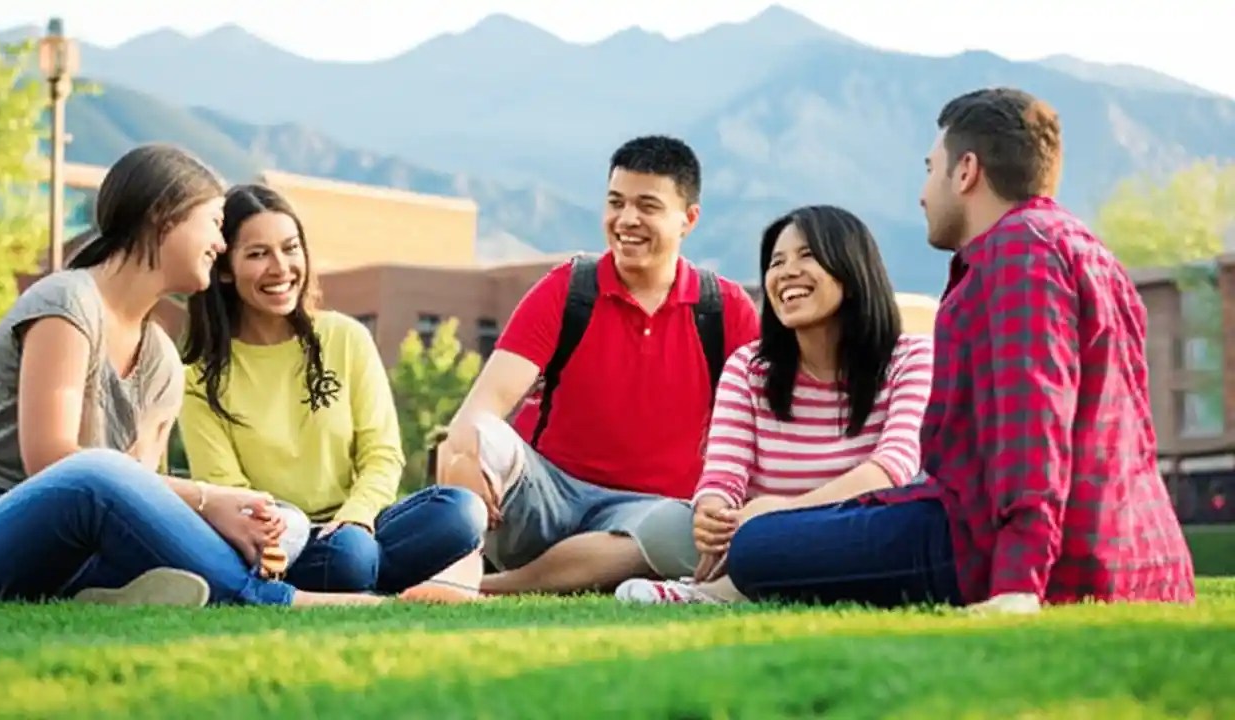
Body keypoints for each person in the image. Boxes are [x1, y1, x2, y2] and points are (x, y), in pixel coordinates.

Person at [716, 88, 1196, 612]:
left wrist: (1018, 585)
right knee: (788, 527)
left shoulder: (1019, 253)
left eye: (930, 169)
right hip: (1141, 553)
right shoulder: (1087, 249)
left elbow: (1033, 421)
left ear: (965, 171)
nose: (923, 194)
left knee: (757, 547)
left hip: (1012, 551)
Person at [0, 145, 384, 608]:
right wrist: (206, 498)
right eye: (216, 224)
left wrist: (235, 512)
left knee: (287, 519)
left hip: (79, 552)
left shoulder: (160, 356)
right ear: (164, 217)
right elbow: (50, 460)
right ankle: (266, 597)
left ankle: (106, 592)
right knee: (95, 471)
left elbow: (142, 488)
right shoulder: (68, 303)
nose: (220, 245)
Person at [435, 135, 761, 595]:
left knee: (693, 528)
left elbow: (758, 435)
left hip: (646, 521)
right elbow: (481, 408)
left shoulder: (725, 310)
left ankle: (490, 589)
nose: (627, 220)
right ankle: (462, 568)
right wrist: (465, 457)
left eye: (647, 206)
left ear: (688, 219)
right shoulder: (568, 289)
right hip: (543, 501)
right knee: (471, 434)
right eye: (616, 202)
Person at [177, 184, 486, 600]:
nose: (280, 267)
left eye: (290, 248)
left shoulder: (345, 337)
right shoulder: (199, 373)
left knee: (461, 512)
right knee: (349, 558)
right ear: (226, 268)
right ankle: (380, 584)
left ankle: (355, 584)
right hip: (279, 539)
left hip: (357, 521)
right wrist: (300, 531)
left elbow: (382, 453)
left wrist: (356, 517)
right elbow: (228, 488)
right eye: (257, 254)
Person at [615, 205, 935, 604]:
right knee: (667, 526)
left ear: (852, 273)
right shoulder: (748, 368)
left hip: (861, 525)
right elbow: (724, 476)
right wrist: (712, 515)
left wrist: (782, 512)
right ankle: (743, 575)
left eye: (806, 256)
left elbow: (892, 472)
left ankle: (717, 592)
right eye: (776, 262)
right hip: (756, 528)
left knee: (788, 543)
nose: (786, 272)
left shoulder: (912, 358)